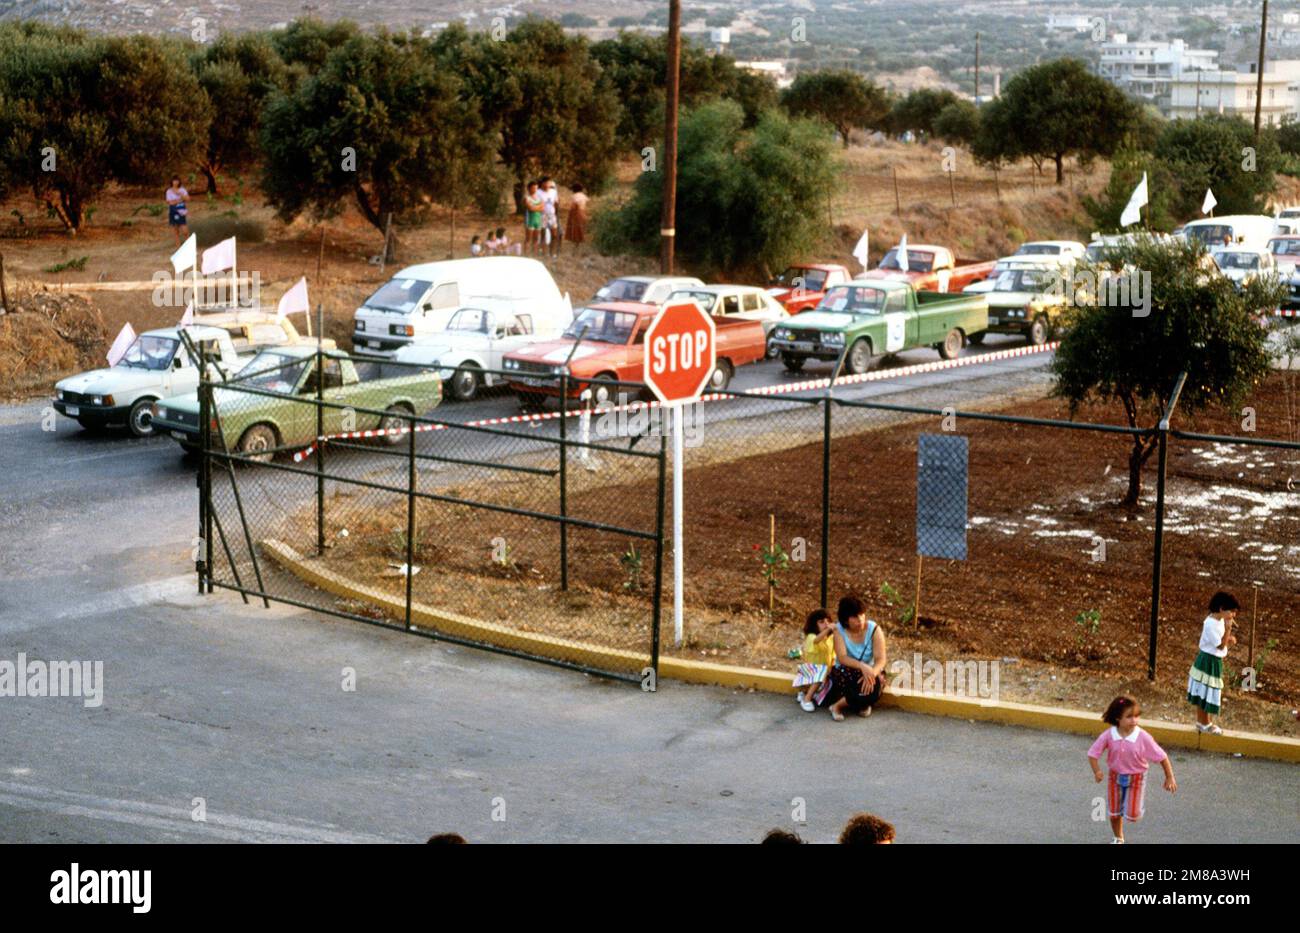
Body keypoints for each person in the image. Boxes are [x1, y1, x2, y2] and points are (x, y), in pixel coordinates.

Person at [1088, 695, 1176, 844]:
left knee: (1133, 814)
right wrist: (1097, 771)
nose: (1134, 720)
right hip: (1114, 778)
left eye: (1136, 716)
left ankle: (1126, 809)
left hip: (1136, 779)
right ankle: (1118, 837)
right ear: (1117, 718)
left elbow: (1161, 756)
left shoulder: (1142, 737)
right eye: (1129, 717)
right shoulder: (1109, 735)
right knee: (1114, 812)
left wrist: (1169, 777)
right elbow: (1093, 753)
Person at [816, 595, 887, 721]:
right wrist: (862, 666)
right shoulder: (839, 630)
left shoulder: (874, 629)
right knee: (858, 684)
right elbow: (842, 658)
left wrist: (872, 674)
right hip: (846, 670)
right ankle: (852, 704)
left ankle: (843, 704)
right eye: (854, 617)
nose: (860, 620)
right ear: (845, 619)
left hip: (869, 671)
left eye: (862, 615)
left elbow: (881, 659)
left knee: (876, 684)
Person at [1187, 591, 1239, 734]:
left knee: (1205, 691)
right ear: (1221, 609)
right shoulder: (1211, 624)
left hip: (1213, 660)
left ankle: (1204, 722)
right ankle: (1205, 723)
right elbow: (1220, 645)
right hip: (1208, 661)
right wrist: (1228, 629)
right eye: (1232, 611)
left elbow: (1221, 640)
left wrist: (1228, 639)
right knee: (1205, 691)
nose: (1233, 615)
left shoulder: (1218, 620)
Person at [797, 608, 835, 712]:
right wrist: (828, 629)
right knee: (820, 674)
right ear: (814, 624)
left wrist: (832, 666)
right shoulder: (811, 636)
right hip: (810, 671)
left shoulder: (830, 638)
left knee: (827, 675)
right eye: (822, 622)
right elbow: (816, 640)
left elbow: (833, 654)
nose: (826, 624)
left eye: (828, 621)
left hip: (824, 671)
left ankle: (806, 693)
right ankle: (806, 698)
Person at [539, 176, 561, 258]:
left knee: (554, 235)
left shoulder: (553, 192)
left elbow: (556, 203)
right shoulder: (538, 192)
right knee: (543, 234)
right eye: (547, 183)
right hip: (542, 215)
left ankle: (552, 253)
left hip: (552, 215)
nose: (548, 184)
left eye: (550, 183)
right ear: (543, 183)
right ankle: (544, 253)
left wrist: (556, 213)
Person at [165, 176, 189, 246]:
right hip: (173, 210)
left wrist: (180, 194)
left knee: (184, 229)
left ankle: (188, 243)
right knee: (175, 229)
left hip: (181, 210)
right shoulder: (169, 191)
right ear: (172, 182)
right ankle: (178, 245)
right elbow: (170, 202)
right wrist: (180, 200)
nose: (176, 182)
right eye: (174, 181)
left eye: (177, 181)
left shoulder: (182, 190)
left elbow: (187, 199)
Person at [565, 183, 589, 252]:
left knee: (575, 228)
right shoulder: (584, 196)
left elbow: (574, 206)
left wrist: (571, 214)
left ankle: (576, 245)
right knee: (581, 227)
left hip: (576, 213)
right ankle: (578, 244)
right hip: (583, 212)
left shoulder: (574, 196)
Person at [523, 181, 544, 256]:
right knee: (528, 239)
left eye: (536, 188)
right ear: (529, 189)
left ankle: (534, 255)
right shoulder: (527, 198)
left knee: (536, 239)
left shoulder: (539, 198)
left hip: (538, 220)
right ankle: (526, 255)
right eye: (533, 188)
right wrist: (538, 207)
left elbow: (542, 208)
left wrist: (535, 207)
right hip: (530, 220)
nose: (535, 189)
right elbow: (530, 209)